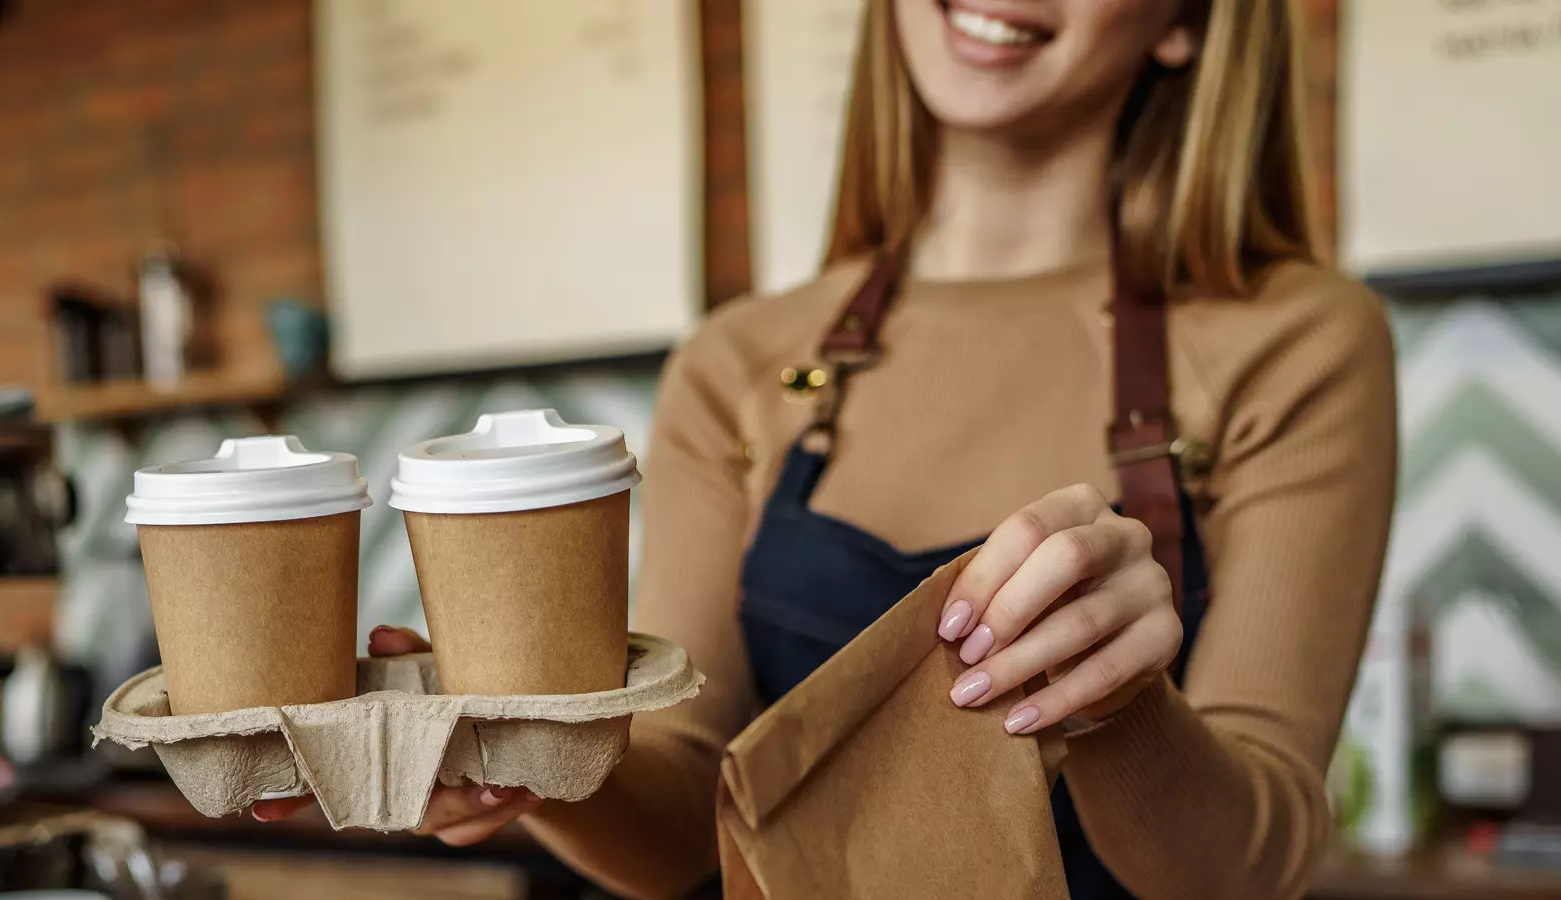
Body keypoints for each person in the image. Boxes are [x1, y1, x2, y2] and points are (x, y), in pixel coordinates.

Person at [258, 1, 1397, 897]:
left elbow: (1250, 868)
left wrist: (1122, 706)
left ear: (1184, 19)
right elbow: (687, 818)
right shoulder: (737, 361)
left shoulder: (1298, 339)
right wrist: (529, 763)